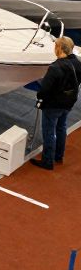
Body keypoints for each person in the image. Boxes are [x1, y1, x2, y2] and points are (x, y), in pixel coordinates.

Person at [31, 36, 81, 170]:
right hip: (68, 103)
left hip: (53, 105)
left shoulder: (55, 67)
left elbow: (45, 89)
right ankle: (59, 155)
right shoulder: (77, 63)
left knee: (49, 132)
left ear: (58, 48)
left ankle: (47, 161)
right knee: (61, 127)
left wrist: (40, 98)